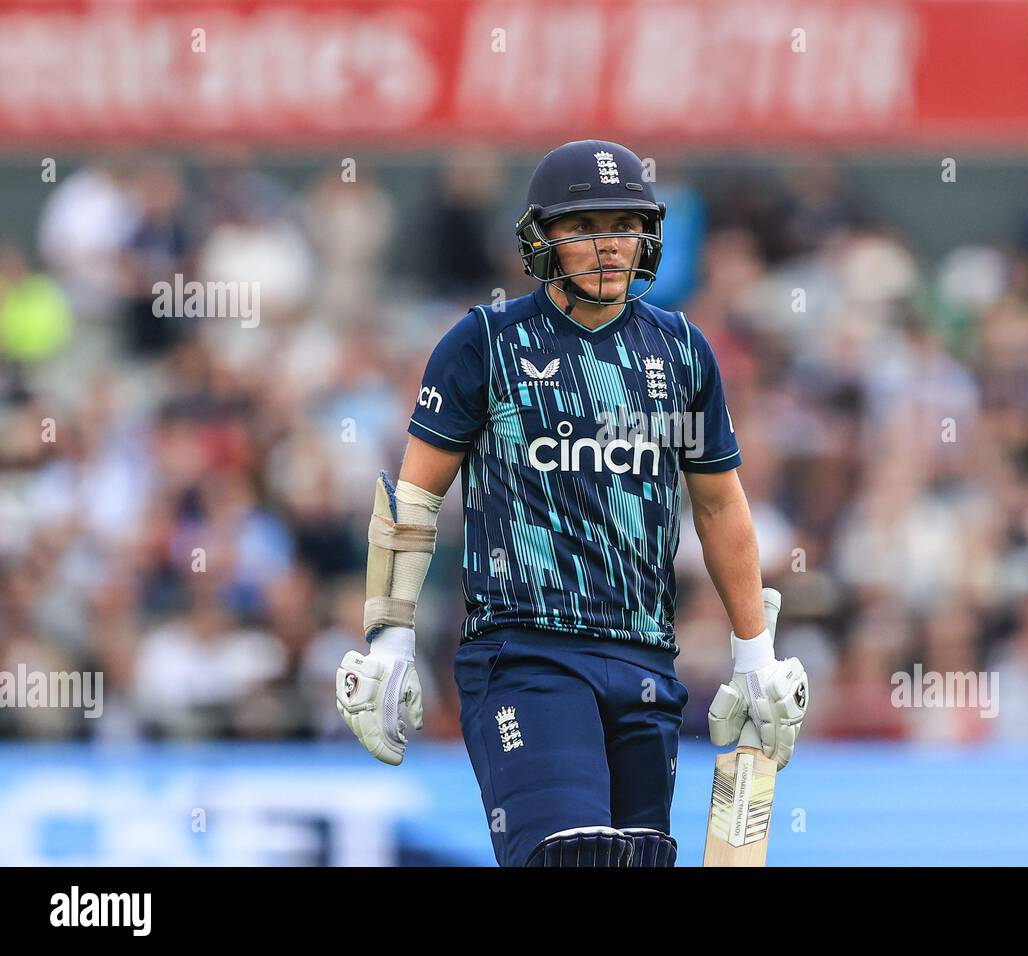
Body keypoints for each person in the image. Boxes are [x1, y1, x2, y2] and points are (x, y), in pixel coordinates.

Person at [335, 140, 808, 867]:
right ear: (543, 237)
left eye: (626, 224)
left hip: (646, 657)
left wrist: (755, 655)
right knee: (572, 857)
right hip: (525, 652)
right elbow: (415, 497)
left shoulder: (681, 351)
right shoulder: (486, 343)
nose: (611, 245)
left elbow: (719, 507)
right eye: (587, 225)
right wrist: (391, 638)